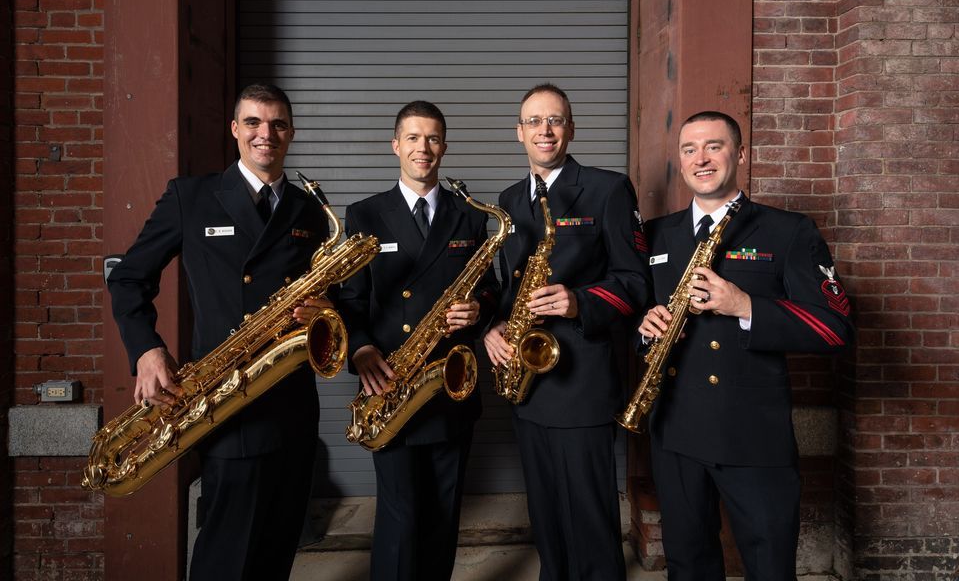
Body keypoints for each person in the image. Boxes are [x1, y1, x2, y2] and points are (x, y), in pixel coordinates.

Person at [108, 83, 332, 580]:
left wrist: (322, 312)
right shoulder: (191, 196)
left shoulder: (310, 209)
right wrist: (147, 350)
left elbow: (329, 298)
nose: (264, 134)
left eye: (277, 124)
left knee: (277, 553)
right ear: (235, 130)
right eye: (253, 122)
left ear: (291, 133)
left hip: (293, 405)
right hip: (226, 404)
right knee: (225, 558)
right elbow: (128, 276)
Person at [637, 111, 854, 580]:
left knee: (769, 564)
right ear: (680, 161)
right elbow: (638, 319)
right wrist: (644, 326)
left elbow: (836, 327)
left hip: (753, 432)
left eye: (714, 146)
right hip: (676, 429)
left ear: (740, 154)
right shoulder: (656, 234)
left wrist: (744, 305)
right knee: (688, 564)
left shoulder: (788, 231)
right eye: (690, 149)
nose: (701, 158)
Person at [483, 83, 651, 580]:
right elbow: (502, 285)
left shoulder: (608, 188)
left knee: (590, 514)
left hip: (582, 379)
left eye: (554, 120)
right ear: (519, 133)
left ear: (571, 129)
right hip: (527, 380)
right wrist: (493, 326)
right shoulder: (509, 199)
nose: (545, 130)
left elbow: (635, 282)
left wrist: (580, 301)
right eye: (534, 121)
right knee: (547, 513)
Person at [338, 100, 500, 581]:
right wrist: (361, 349)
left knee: (443, 513)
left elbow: (489, 288)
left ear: (444, 146)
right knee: (399, 514)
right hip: (388, 384)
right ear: (395, 146)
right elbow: (349, 299)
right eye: (412, 138)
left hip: (449, 385)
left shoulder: (468, 215)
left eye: (431, 138)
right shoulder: (364, 213)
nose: (422, 148)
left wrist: (480, 309)